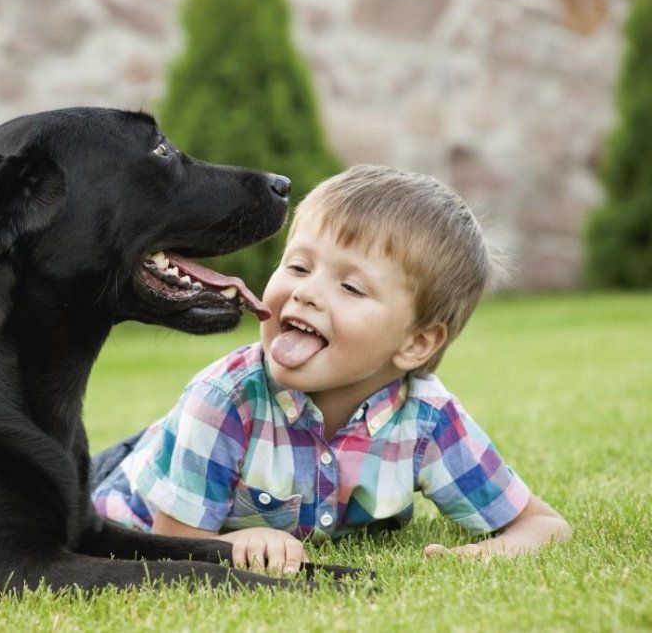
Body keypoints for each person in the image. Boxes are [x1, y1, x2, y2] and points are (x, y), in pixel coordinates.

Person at [90, 164, 571, 575]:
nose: (305, 292)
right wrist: (243, 542)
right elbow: (174, 543)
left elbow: (542, 525)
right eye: (298, 267)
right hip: (126, 497)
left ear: (416, 342)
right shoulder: (226, 398)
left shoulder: (427, 419)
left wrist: (486, 555)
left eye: (351, 288)